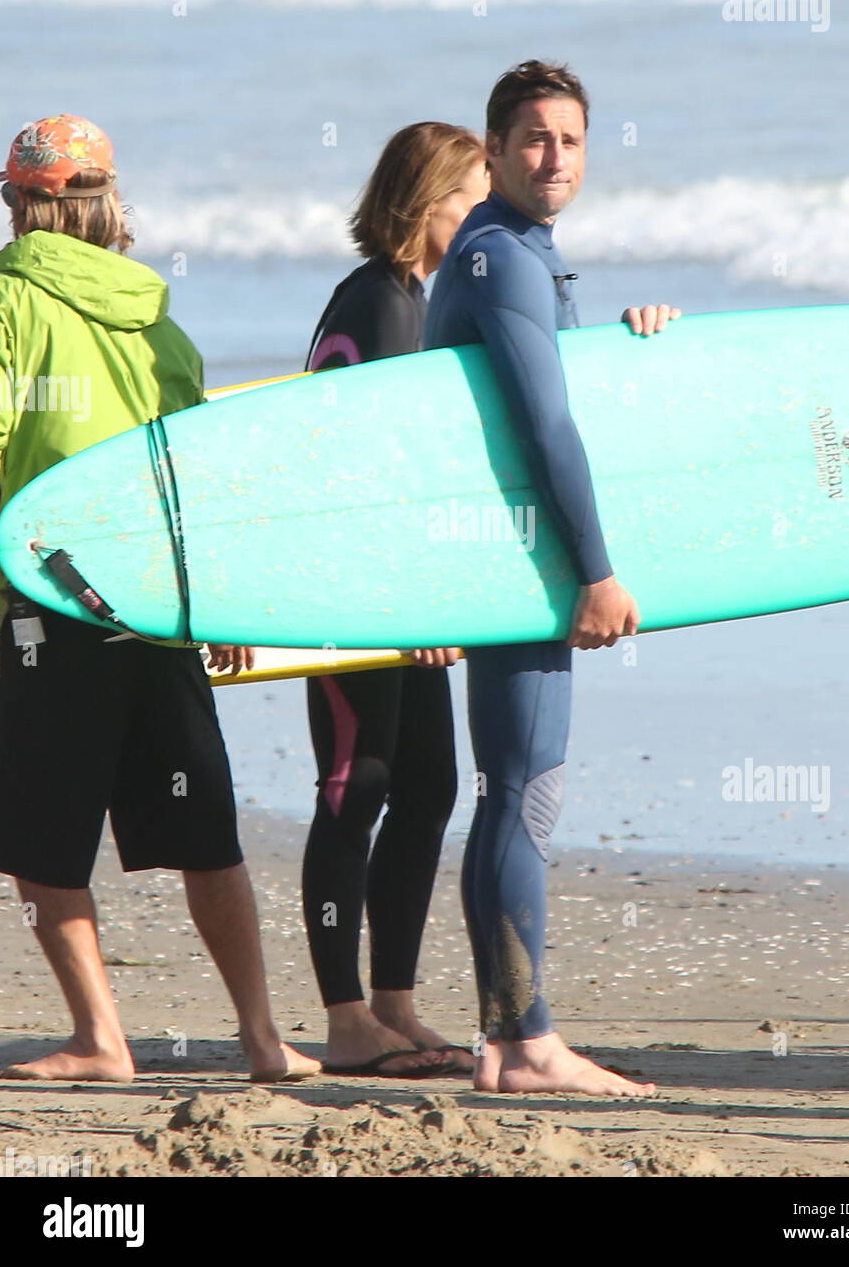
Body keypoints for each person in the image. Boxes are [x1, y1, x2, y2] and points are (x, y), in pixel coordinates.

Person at [0, 115, 320, 1084]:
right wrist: (213, 603)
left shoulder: (5, 302)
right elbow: (190, 477)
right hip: (153, 604)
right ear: (107, 207)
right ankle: (263, 1038)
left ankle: (102, 1040)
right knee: (202, 828)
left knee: (43, 834)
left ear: (23, 203)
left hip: (51, 601)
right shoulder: (157, 317)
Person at [424, 61, 680, 1095]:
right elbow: (543, 426)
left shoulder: (515, 253)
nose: (554, 156)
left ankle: (506, 1041)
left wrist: (634, 346)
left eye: (570, 139)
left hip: (510, 555)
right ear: (491, 149)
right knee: (522, 795)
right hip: (526, 564)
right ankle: (526, 1044)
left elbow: (563, 396)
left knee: (511, 793)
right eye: (533, 137)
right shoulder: (502, 256)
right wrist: (599, 573)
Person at [303, 122, 488, 1077]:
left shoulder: (413, 300)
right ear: (422, 204)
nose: (482, 215)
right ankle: (343, 1021)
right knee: (354, 790)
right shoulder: (377, 302)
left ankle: (394, 1003)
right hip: (355, 600)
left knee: (427, 789)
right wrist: (404, 601)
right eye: (469, 197)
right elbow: (363, 476)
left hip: (403, 595)